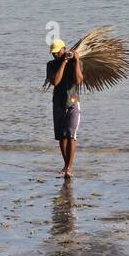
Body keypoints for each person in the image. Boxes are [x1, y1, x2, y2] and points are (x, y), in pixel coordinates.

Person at [46, 38, 84, 177]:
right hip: (58, 103)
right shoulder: (51, 65)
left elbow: (79, 80)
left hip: (73, 103)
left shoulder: (75, 63)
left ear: (64, 49)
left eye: (57, 52)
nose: (55, 54)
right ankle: (66, 165)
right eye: (53, 53)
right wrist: (63, 62)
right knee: (62, 137)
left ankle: (69, 167)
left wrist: (77, 61)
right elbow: (55, 81)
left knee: (71, 135)